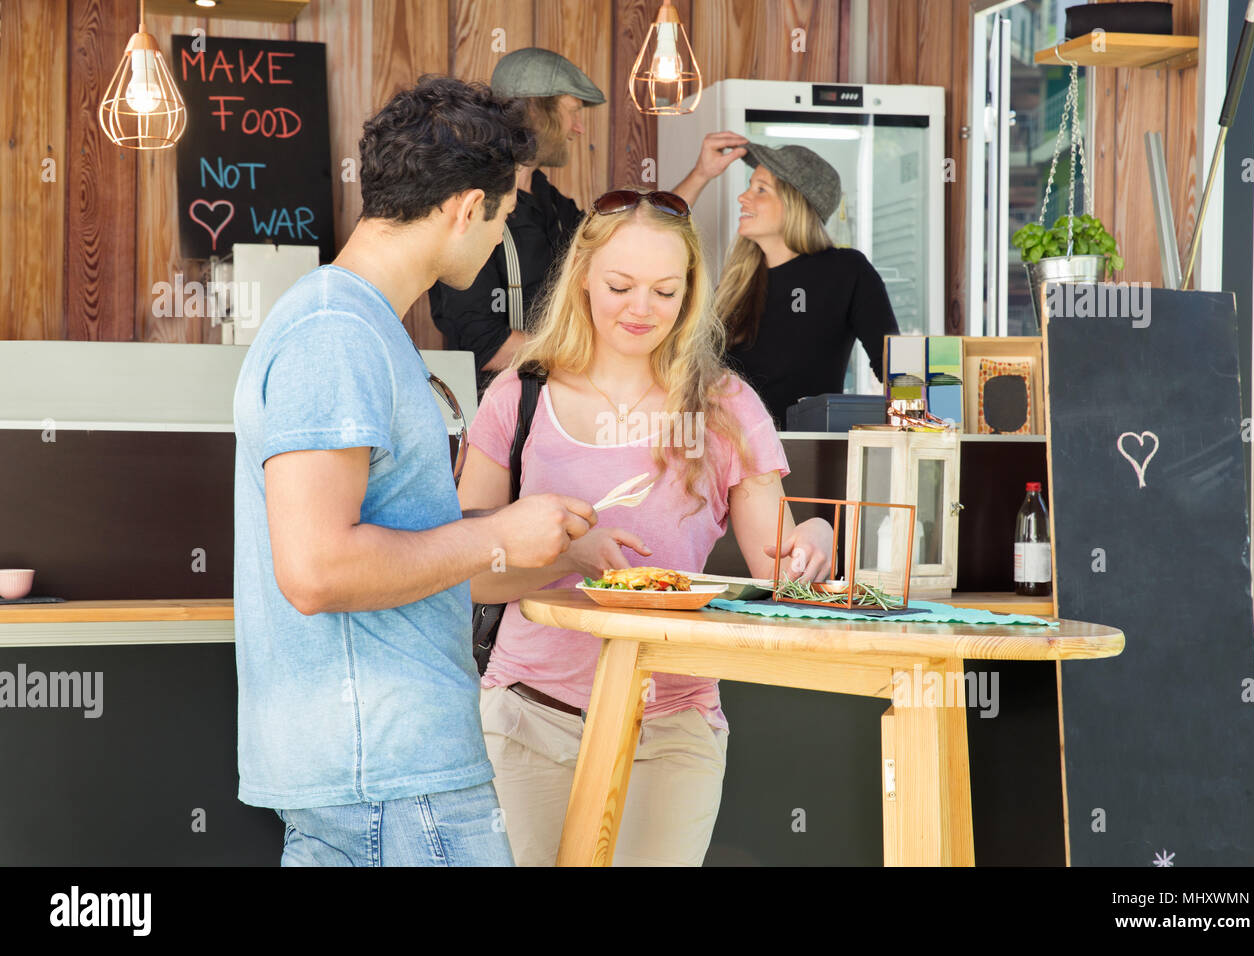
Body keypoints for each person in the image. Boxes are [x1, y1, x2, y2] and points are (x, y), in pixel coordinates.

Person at [231, 75, 597, 867]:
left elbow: (396, 548)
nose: (501, 238)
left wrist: (529, 552)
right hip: (394, 775)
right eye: (501, 218)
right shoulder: (338, 333)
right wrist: (496, 532)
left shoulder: (358, 325)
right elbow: (319, 569)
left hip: (369, 774)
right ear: (467, 208)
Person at [456, 188, 837, 866]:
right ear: (582, 278)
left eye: (665, 292)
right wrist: (573, 553)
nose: (641, 309)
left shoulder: (726, 406)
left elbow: (782, 564)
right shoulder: (520, 396)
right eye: (621, 286)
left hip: (673, 724)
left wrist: (817, 543)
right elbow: (469, 570)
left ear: (691, 293)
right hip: (529, 717)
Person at [673, 135, 900, 428]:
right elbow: (655, 233)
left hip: (806, 457)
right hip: (731, 457)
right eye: (749, 186)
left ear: (795, 204)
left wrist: (916, 436)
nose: (744, 197)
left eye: (761, 190)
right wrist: (701, 174)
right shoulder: (737, 282)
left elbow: (897, 369)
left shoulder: (846, 271)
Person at [429, 48, 606, 395]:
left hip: (555, 409)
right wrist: (588, 360)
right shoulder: (470, 204)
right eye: (573, 111)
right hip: (498, 419)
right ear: (536, 110)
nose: (579, 128)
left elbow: (621, 242)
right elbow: (485, 344)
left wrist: (701, 174)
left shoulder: (551, 202)